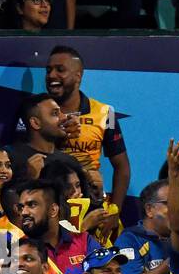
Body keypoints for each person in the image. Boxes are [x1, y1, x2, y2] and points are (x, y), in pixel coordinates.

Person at [45, 46, 130, 213]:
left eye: (60, 70)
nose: (51, 75)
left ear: (78, 75)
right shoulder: (35, 111)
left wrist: (115, 211)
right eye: (48, 70)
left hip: (90, 204)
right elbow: (26, 156)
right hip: (50, 204)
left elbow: (122, 167)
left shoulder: (106, 113)